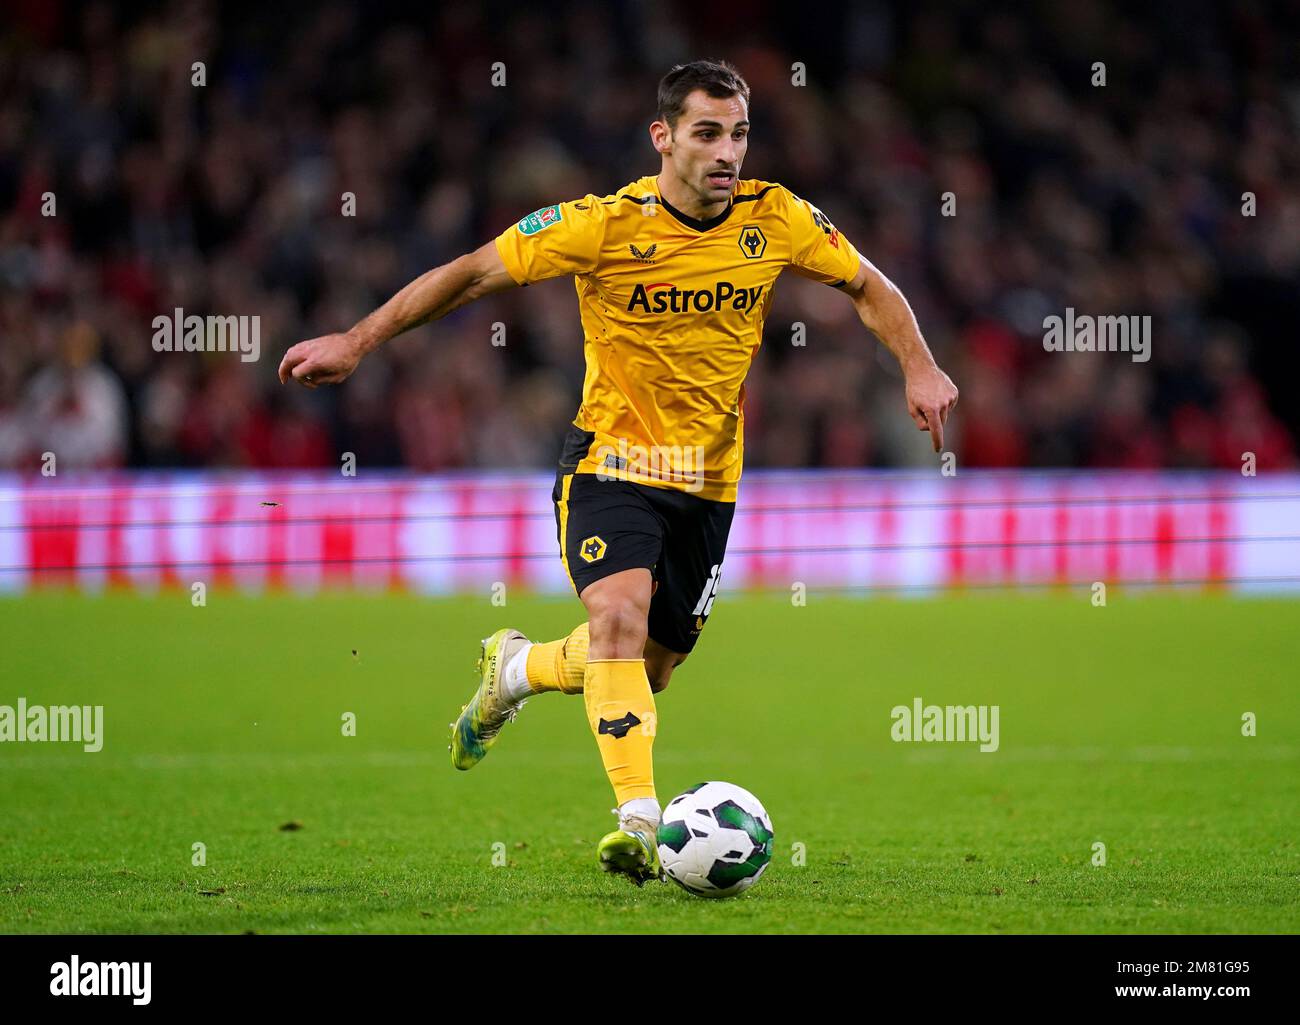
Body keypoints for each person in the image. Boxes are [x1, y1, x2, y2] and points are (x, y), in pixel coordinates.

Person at [279, 59, 958, 886]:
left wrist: (920, 366)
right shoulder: (602, 225)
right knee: (617, 625)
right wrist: (355, 340)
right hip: (612, 462)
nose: (727, 152)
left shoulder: (776, 218)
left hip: (708, 484)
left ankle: (518, 669)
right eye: (707, 133)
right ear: (663, 137)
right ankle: (640, 821)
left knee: (652, 669)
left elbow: (868, 284)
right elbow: (470, 273)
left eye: (739, 133)